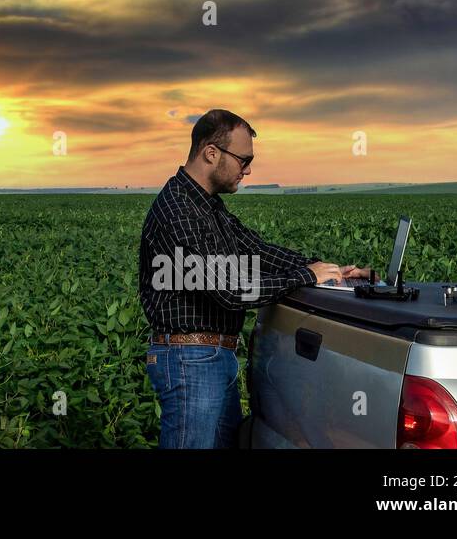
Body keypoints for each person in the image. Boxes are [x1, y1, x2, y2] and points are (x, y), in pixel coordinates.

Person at [138, 109, 369, 448]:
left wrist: (328, 269)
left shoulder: (206, 205)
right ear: (211, 153)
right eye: (244, 160)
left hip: (211, 359)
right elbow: (230, 290)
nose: (248, 170)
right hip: (190, 360)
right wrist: (305, 275)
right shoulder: (178, 210)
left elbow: (256, 251)